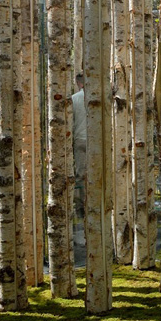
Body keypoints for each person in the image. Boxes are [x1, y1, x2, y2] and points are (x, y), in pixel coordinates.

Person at [71, 74, 86, 219]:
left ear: (78, 83)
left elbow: (70, 122)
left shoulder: (74, 99)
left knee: (81, 174)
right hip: (98, 140)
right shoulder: (102, 97)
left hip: (80, 139)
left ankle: (81, 207)